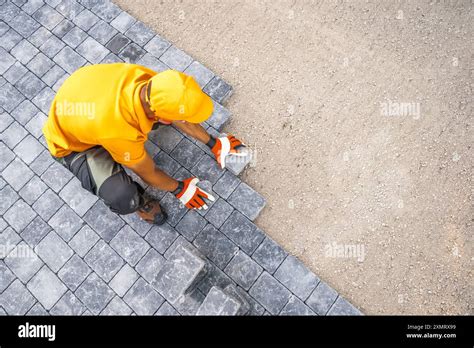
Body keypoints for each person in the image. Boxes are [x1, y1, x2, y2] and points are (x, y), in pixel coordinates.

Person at [42, 63, 245, 225]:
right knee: (121, 196)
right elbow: (148, 172)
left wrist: (214, 143)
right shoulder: (120, 130)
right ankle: (139, 203)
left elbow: (176, 113)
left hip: (86, 106)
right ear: (162, 117)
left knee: (155, 119)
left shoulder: (153, 82)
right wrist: (180, 189)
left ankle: (103, 137)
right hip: (72, 145)